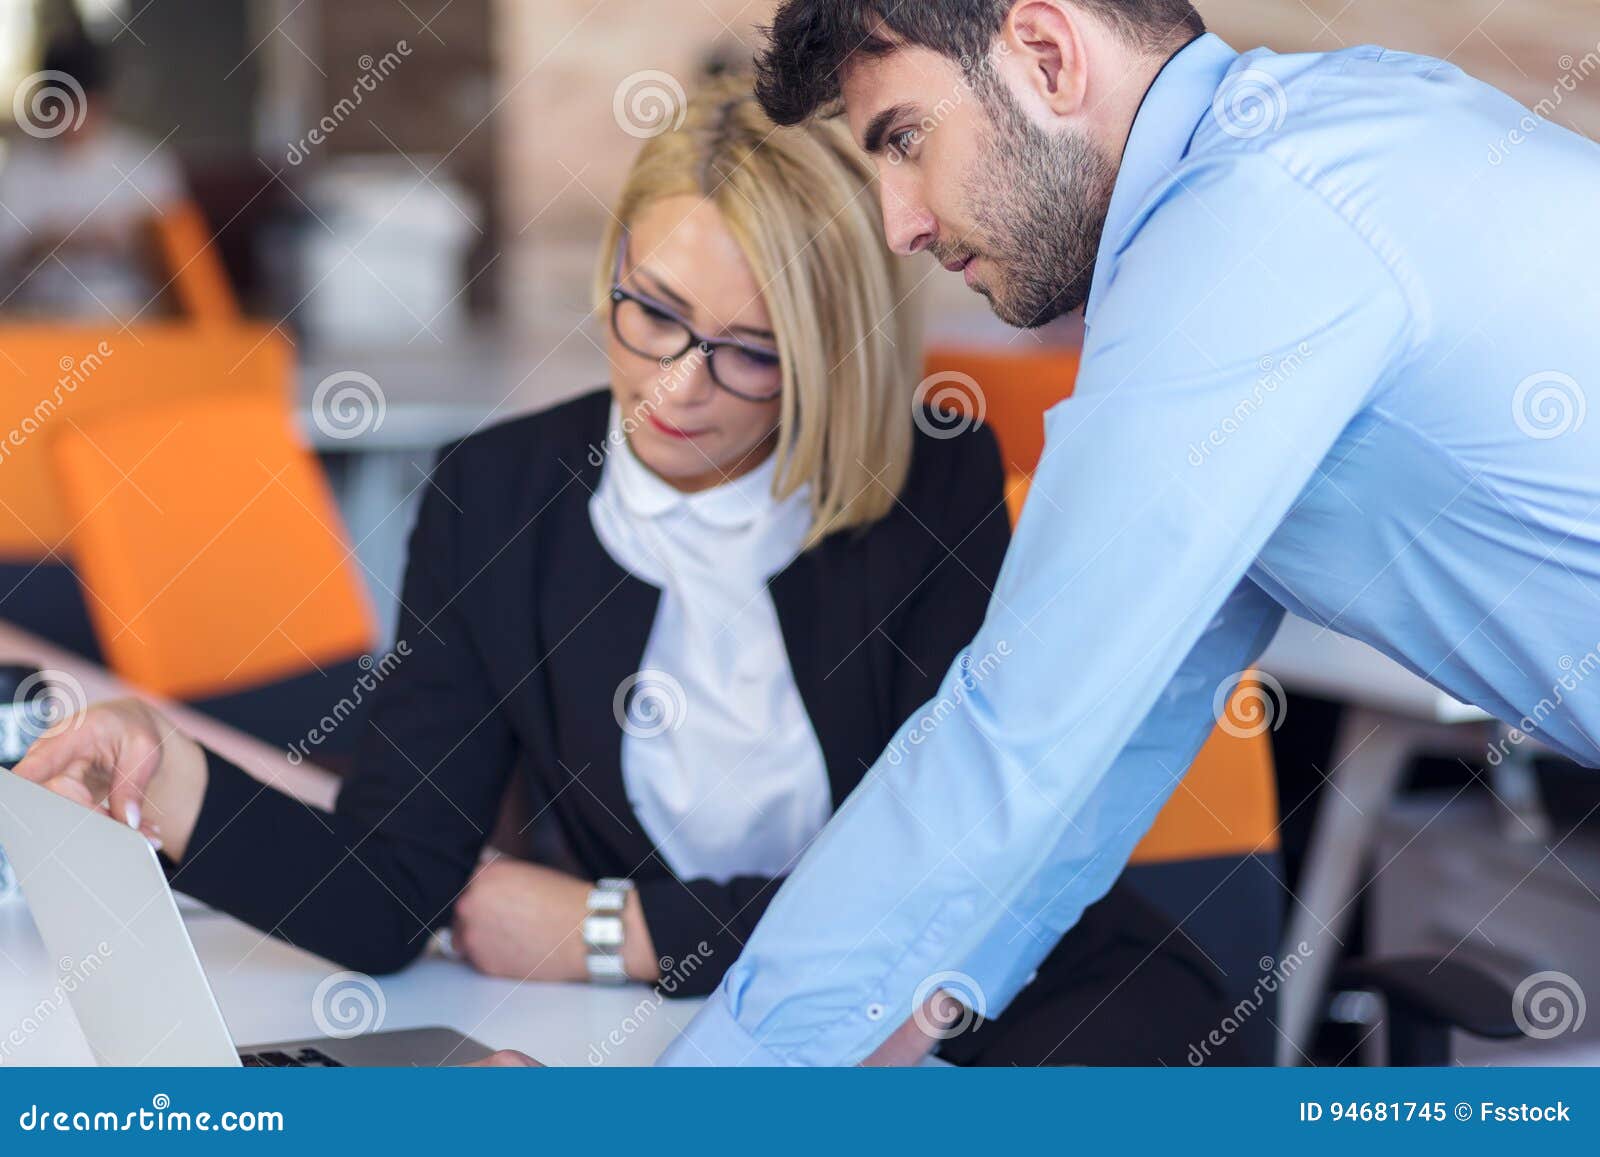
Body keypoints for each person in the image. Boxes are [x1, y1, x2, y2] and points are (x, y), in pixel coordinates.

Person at [15, 78, 1239, 1066]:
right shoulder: (498, 497)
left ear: (827, 355)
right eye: (648, 311)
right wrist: (177, 786)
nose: (672, 384)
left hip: (1012, 1004)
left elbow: (941, 878)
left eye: (748, 353)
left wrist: (618, 927)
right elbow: (391, 891)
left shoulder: (932, 483)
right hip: (711, 1033)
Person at [612, 1, 1598, 1067]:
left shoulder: (1256, 214)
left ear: (1043, 53)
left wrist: (718, 1088)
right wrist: (916, 1009)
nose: (897, 221)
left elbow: (1015, 719)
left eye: (905, 140)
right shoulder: (1297, 147)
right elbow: (1117, 719)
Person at [0, 31, 186, 317]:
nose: (70, 120)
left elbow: (179, 257)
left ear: (102, 101)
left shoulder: (147, 163)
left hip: (132, 319)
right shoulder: (20, 168)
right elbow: (8, 258)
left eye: (81, 106)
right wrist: (54, 241)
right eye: (59, 106)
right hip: (40, 322)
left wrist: (131, 240)